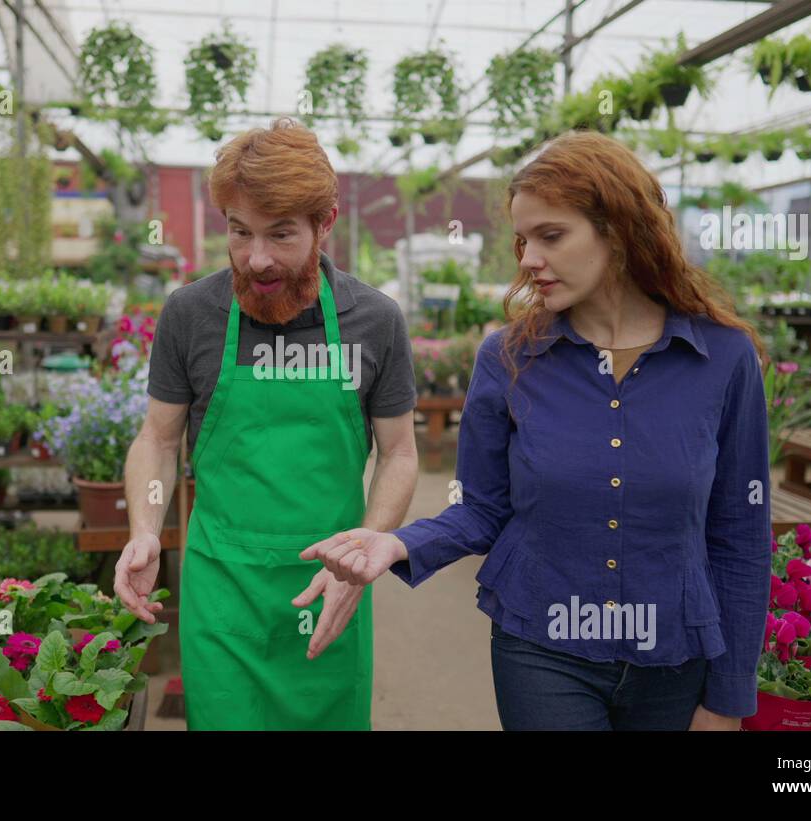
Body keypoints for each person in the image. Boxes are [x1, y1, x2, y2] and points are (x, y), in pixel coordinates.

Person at [302, 130, 772, 731]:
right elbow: (482, 509)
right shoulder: (508, 357)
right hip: (542, 648)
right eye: (523, 240)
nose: (526, 259)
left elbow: (740, 533)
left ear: (622, 230)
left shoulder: (722, 359)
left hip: (676, 656)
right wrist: (398, 543)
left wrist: (729, 699)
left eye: (551, 236)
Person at [114, 118, 419, 730]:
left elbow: (400, 454)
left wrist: (364, 551)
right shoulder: (191, 314)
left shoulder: (375, 321)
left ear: (324, 222)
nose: (256, 259)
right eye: (239, 232)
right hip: (223, 585)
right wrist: (145, 528)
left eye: (280, 235)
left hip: (328, 586)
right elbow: (158, 438)